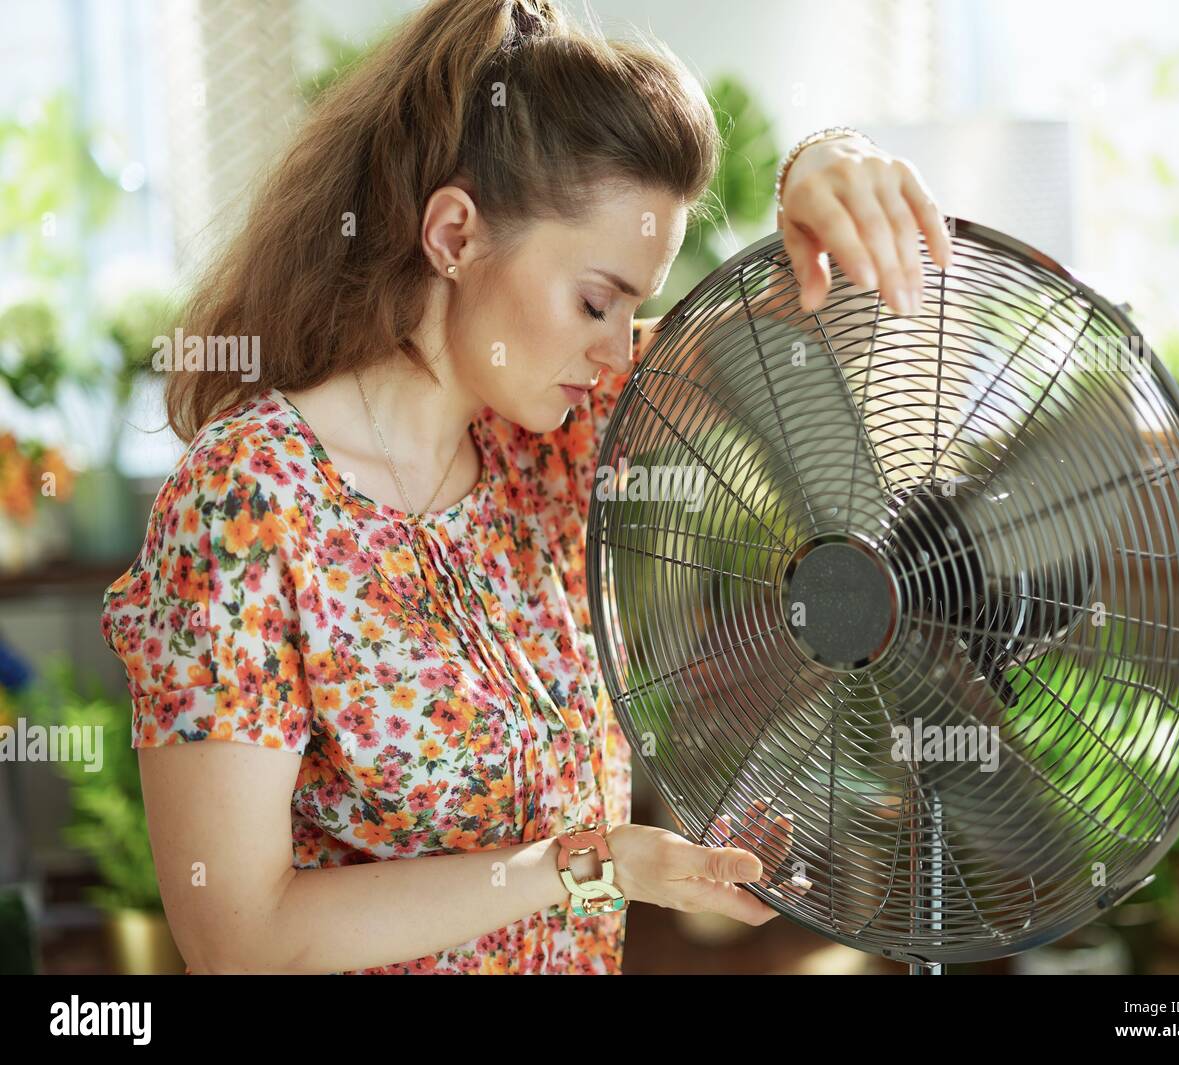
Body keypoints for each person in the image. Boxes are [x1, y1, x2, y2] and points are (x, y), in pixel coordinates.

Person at [101, 0, 953, 974]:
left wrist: (824, 163)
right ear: (455, 234)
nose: (613, 344)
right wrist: (586, 864)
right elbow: (237, 937)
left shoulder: (557, 433)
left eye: (632, 308)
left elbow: (819, 329)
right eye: (596, 300)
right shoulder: (247, 499)